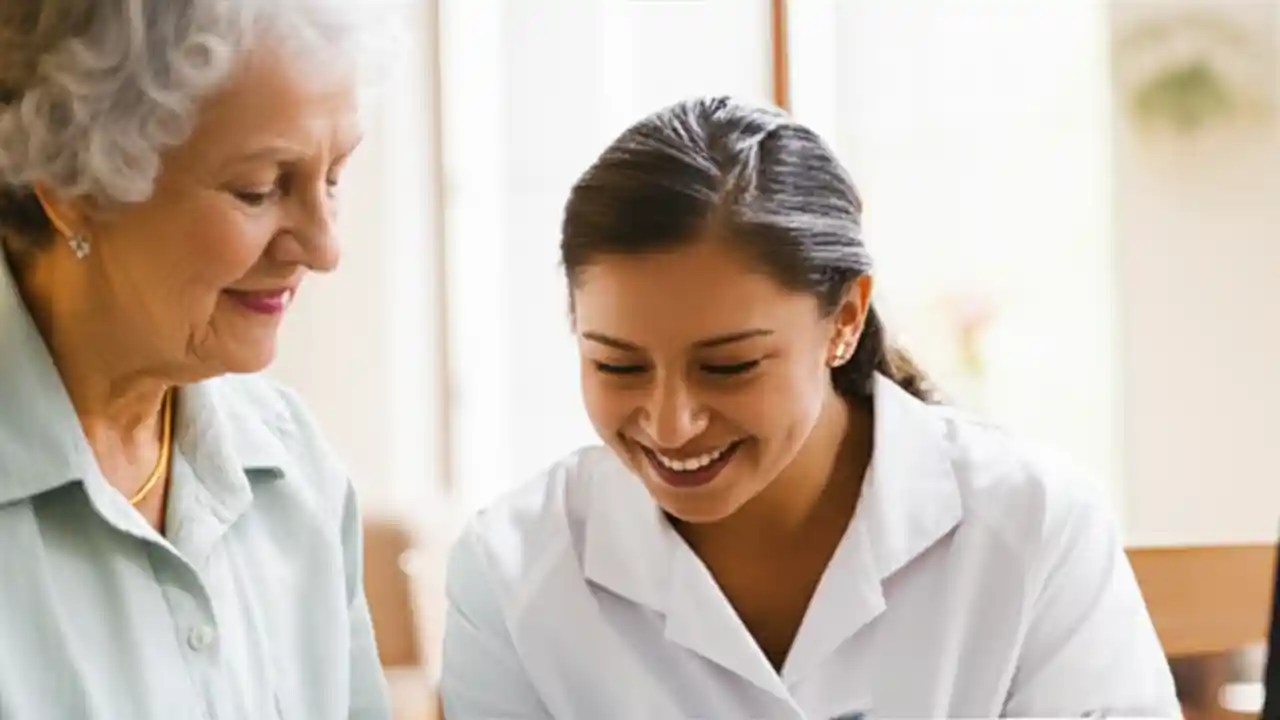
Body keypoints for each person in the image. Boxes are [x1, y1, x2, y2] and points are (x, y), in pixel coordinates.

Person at [440, 97, 1180, 718]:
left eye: (728, 366)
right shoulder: (512, 570)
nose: (670, 423)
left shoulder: (1034, 524)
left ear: (845, 318)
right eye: (617, 364)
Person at [0, 2, 389, 718]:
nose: (326, 248)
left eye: (335, 175)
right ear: (75, 188)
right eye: (261, 189)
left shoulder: (294, 466)